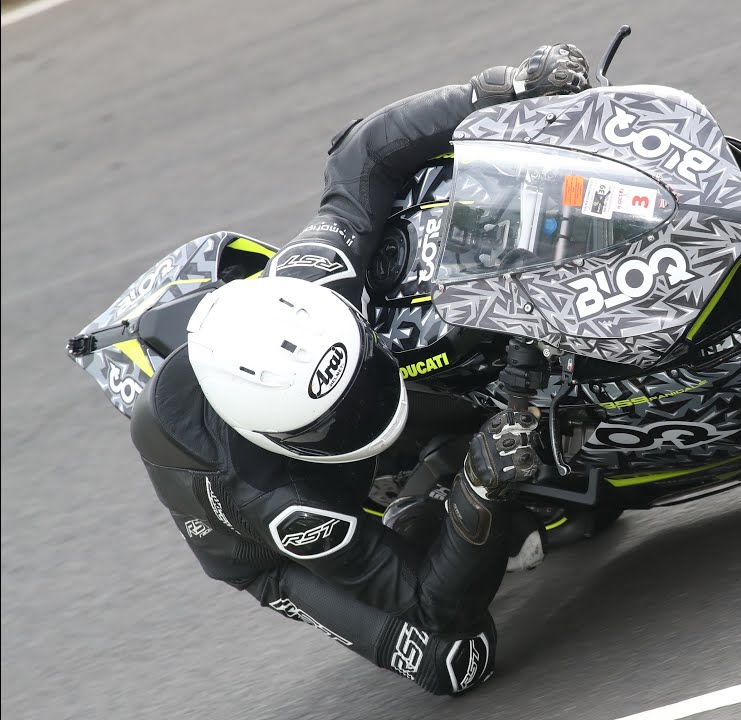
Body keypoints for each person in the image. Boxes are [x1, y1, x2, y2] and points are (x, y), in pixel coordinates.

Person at [128, 45, 589, 696]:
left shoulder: (311, 283)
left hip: (306, 386)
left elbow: (363, 155)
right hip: (273, 552)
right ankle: (427, 504)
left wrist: (505, 88)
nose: (361, 407)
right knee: (456, 660)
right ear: (284, 438)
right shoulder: (285, 506)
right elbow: (435, 606)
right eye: (332, 415)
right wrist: (478, 492)